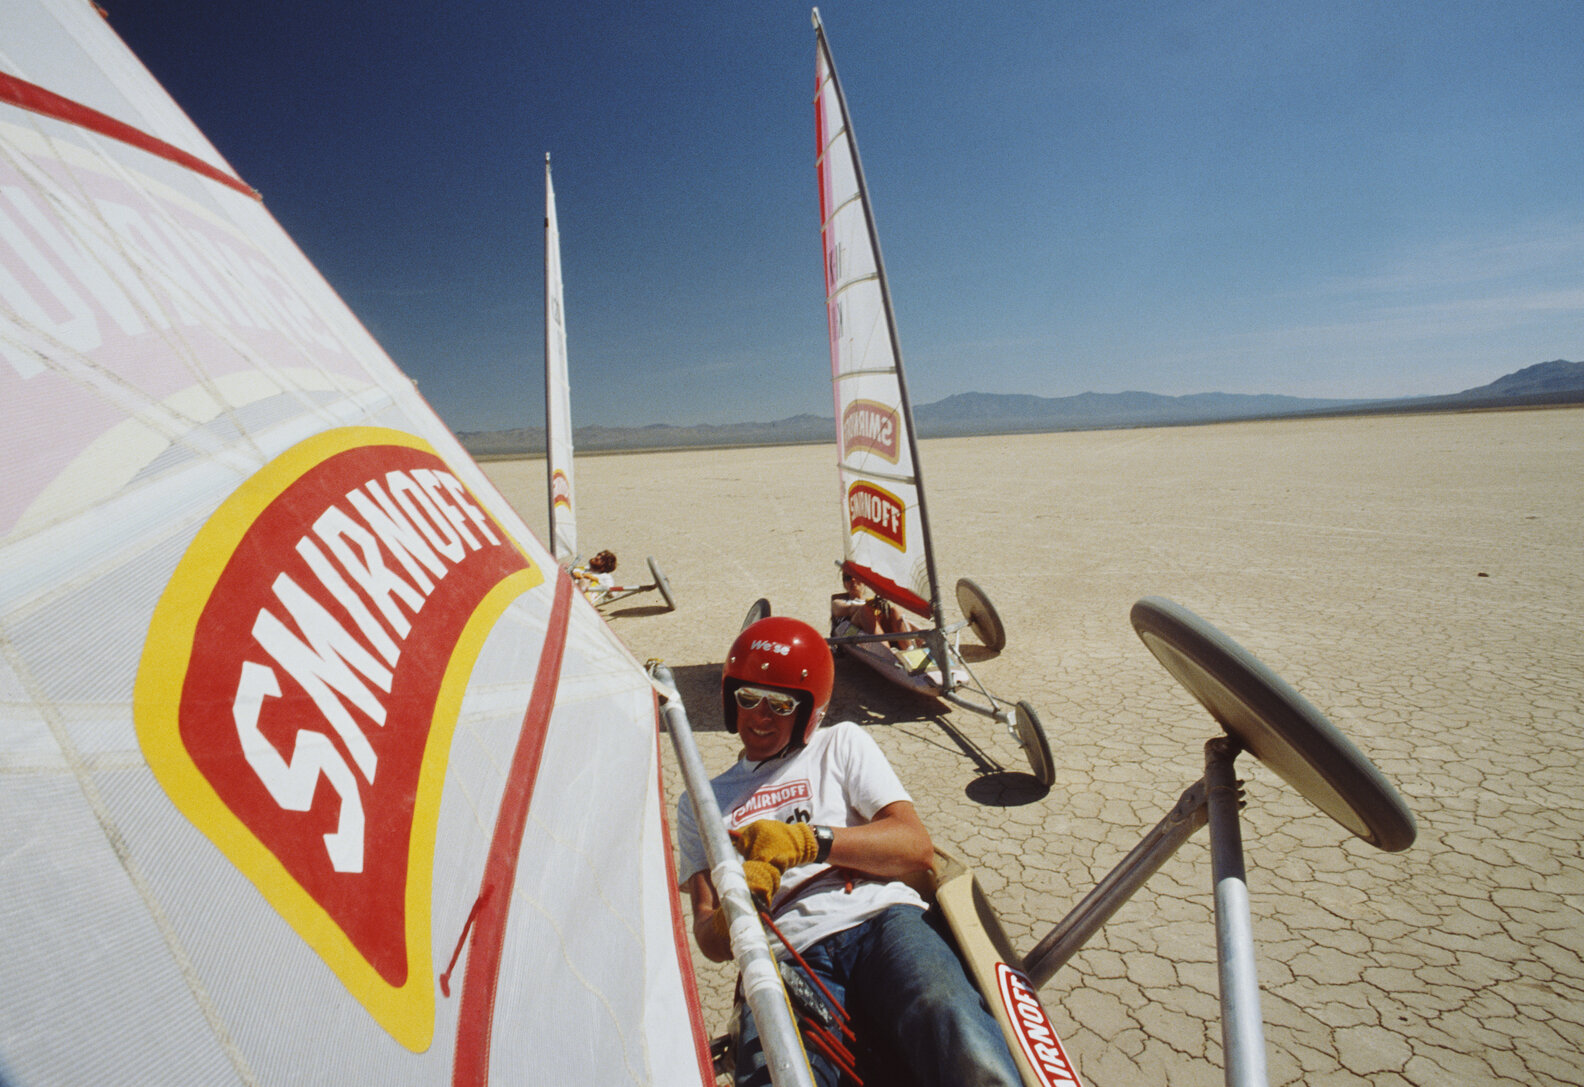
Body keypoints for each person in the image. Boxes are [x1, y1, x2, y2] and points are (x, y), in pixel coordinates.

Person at [675, 616, 1021, 1087]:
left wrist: (808, 842)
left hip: (879, 919)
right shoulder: (701, 800)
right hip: (782, 953)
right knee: (774, 1074)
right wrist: (730, 917)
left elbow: (914, 846)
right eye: (747, 698)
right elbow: (708, 937)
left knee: (950, 1020)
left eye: (780, 703)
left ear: (809, 710)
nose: (759, 716)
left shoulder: (840, 744)